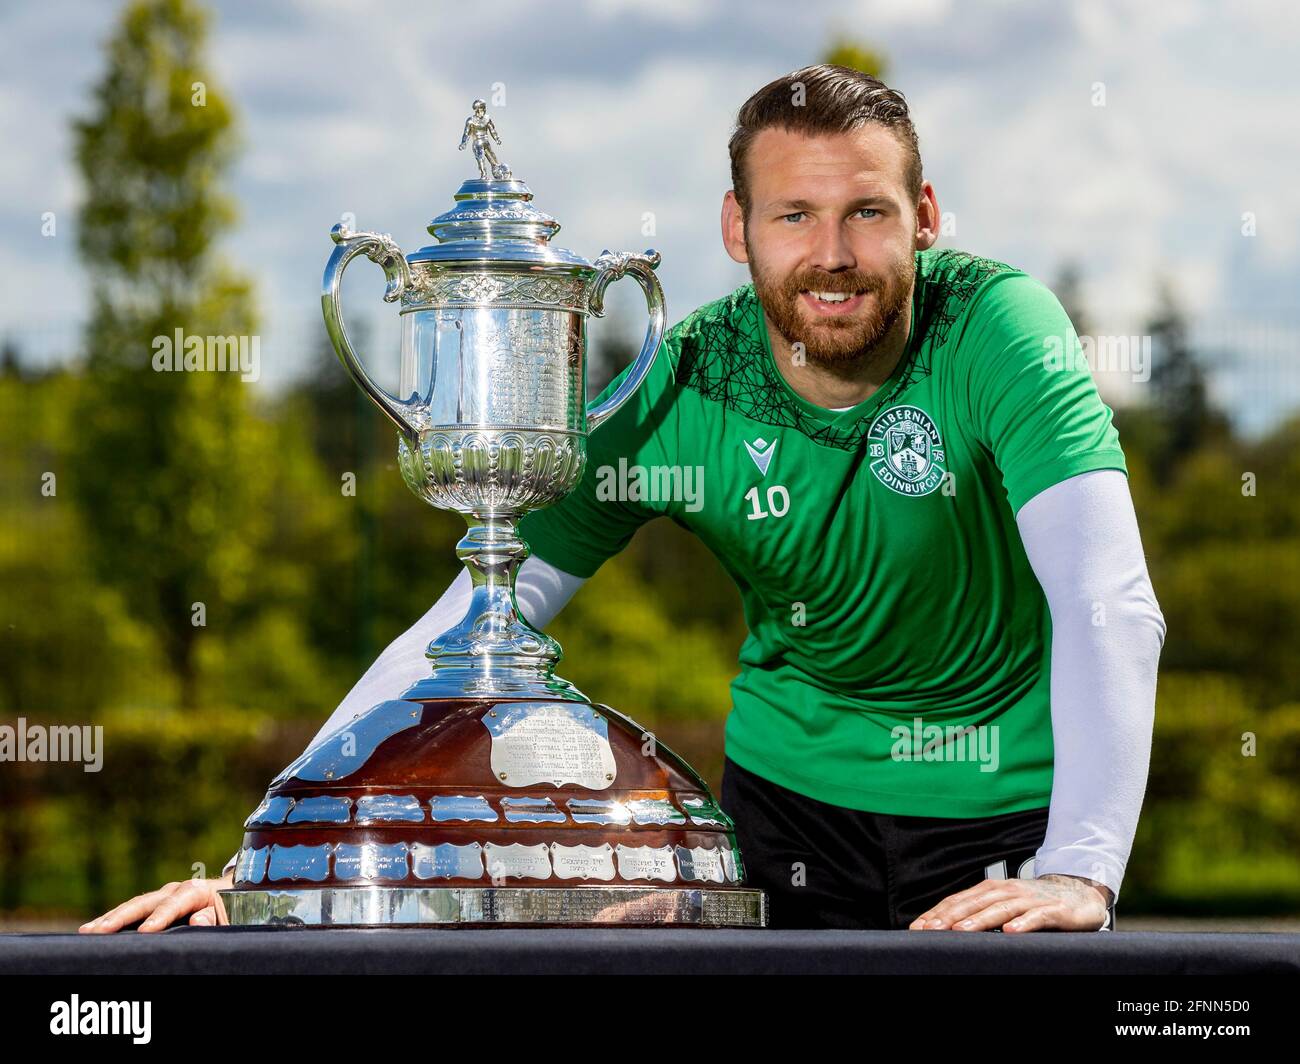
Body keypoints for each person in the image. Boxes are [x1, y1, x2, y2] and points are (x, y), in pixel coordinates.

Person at [82, 63, 1164, 935]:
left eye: (867, 212)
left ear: (923, 215)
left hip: (1003, 825)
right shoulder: (678, 384)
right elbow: (473, 625)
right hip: (785, 820)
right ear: (737, 231)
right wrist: (261, 869)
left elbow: (1107, 600)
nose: (832, 255)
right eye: (795, 215)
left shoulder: (999, 327)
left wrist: (1077, 867)